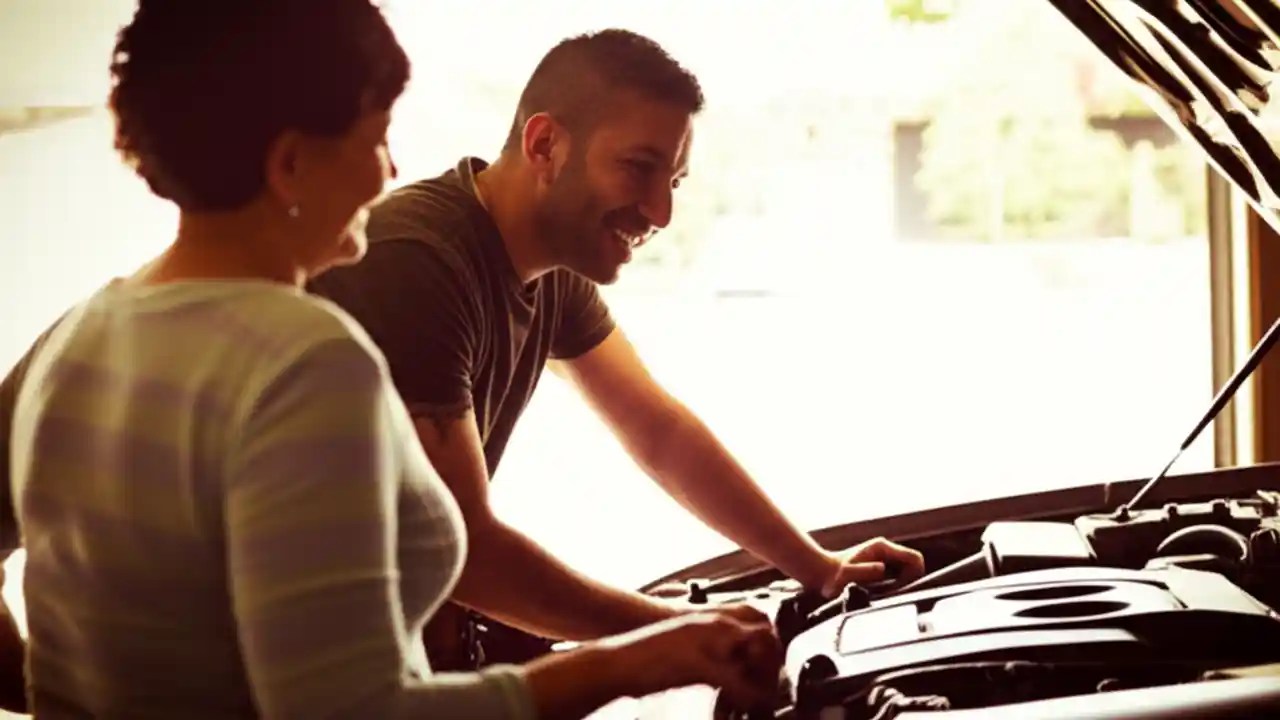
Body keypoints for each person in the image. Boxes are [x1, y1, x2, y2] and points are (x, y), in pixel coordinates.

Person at [4, 1, 782, 717]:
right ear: (290, 165)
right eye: (376, 138)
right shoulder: (306, 363)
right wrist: (636, 661)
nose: (391, 170)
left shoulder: (76, 339)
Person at [304, 27, 928, 660]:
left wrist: (818, 567)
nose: (659, 212)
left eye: (675, 182)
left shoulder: (549, 273)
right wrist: (676, 635)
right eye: (639, 168)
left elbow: (658, 429)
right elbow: (466, 552)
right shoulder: (418, 261)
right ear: (544, 144)